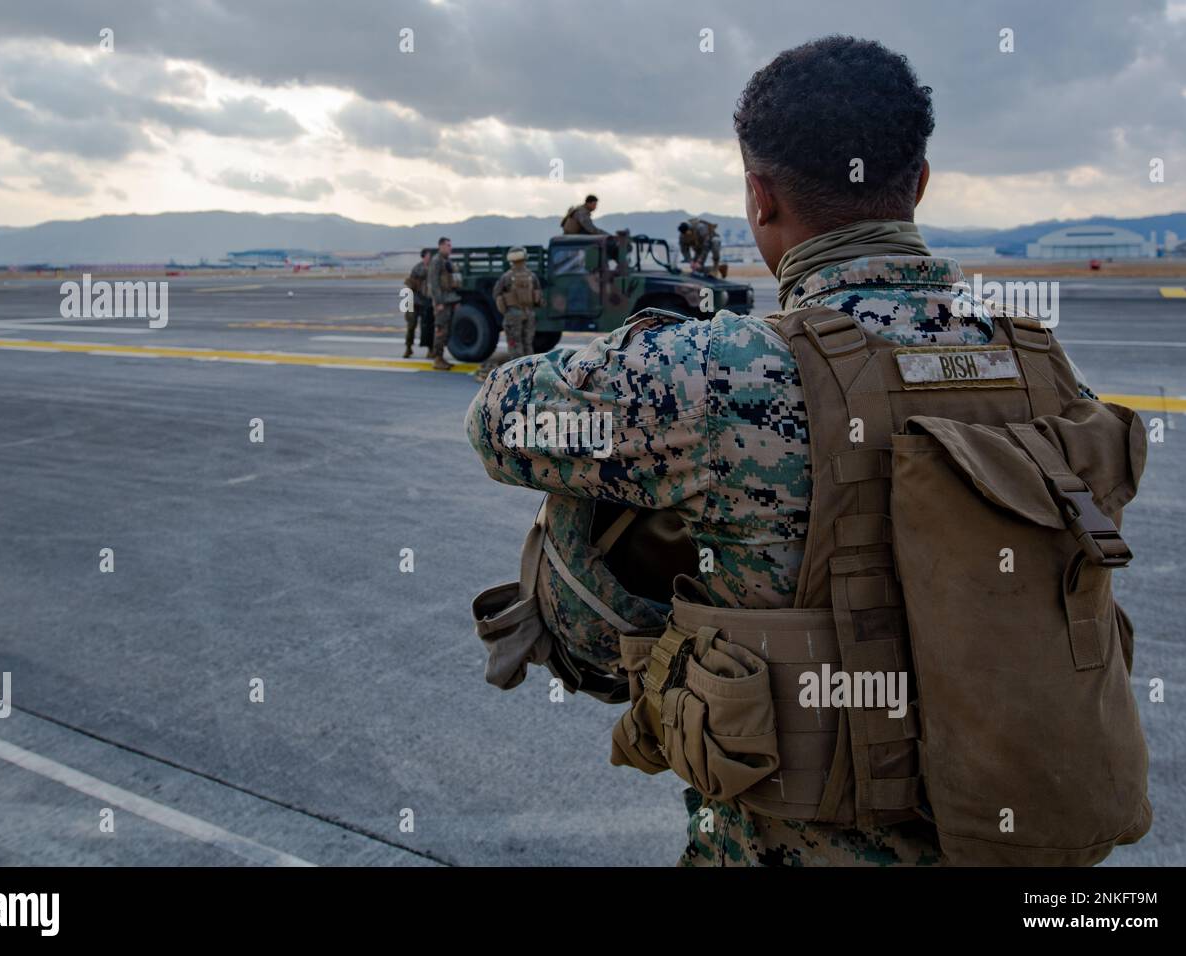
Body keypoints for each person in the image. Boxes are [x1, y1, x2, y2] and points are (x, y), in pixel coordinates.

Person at [466, 36, 1143, 867]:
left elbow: (498, 420)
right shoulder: (1042, 363)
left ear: (759, 196)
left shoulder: (722, 370)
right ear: (919, 184)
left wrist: (649, 344)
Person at [475, 247, 543, 382]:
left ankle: (517, 377)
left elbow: (496, 293)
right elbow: (538, 296)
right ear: (524, 257)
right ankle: (529, 375)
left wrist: (506, 307)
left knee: (514, 346)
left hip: (513, 316)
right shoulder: (532, 276)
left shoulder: (507, 277)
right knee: (528, 345)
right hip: (529, 314)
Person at [427, 236, 459, 371]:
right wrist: (438, 302)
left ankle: (441, 357)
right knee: (441, 330)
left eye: (450, 245)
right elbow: (433, 283)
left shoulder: (447, 261)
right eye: (447, 245)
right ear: (440, 246)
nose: (450, 248)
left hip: (449, 300)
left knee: (446, 330)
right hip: (442, 302)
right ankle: (437, 359)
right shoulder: (436, 261)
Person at [402, 248, 433, 358]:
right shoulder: (418, 268)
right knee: (411, 326)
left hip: (426, 302)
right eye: (429, 255)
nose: (431, 257)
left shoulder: (433, 267)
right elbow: (410, 285)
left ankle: (430, 350)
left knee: (428, 327)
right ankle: (408, 348)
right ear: (424, 256)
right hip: (414, 301)